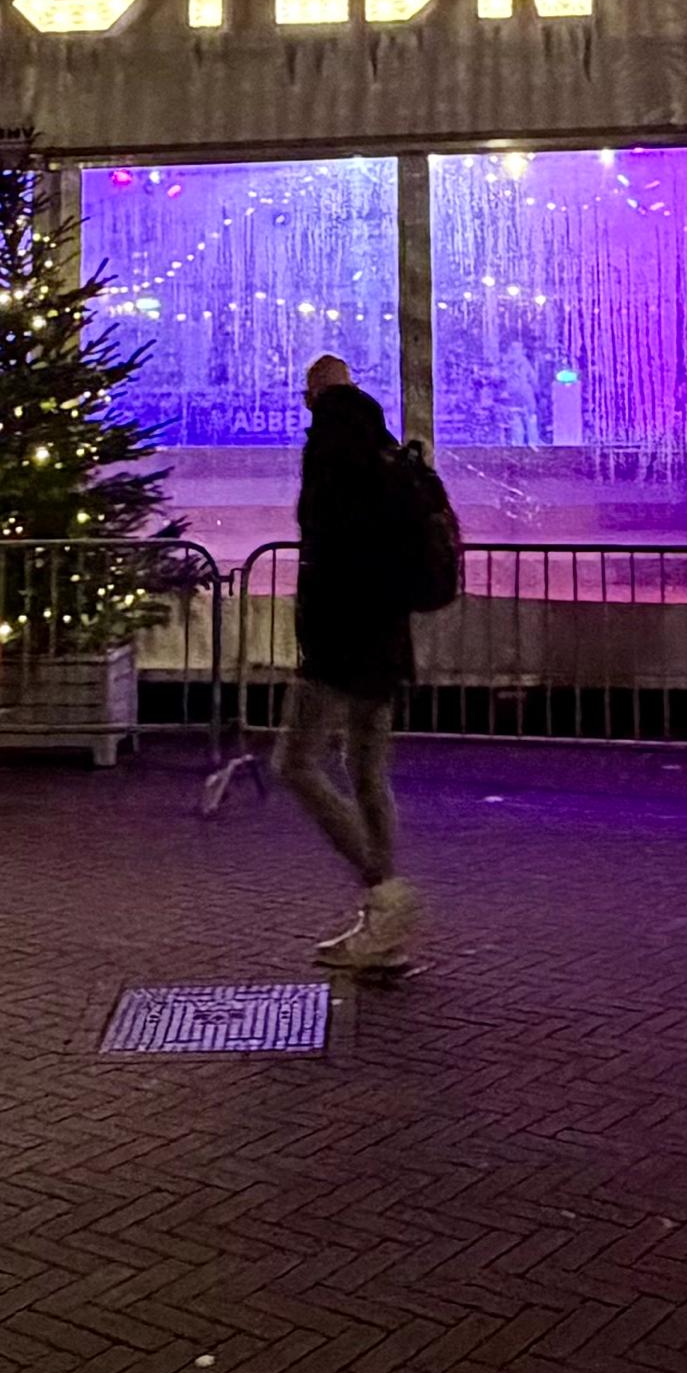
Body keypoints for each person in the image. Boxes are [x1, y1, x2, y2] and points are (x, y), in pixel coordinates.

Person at [280, 352, 424, 970]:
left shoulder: (328, 449)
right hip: (387, 634)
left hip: (341, 638)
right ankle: (383, 933)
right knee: (368, 770)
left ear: (313, 396)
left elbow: (326, 547)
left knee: (295, 763)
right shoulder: (385, 448)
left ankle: (383, 892)